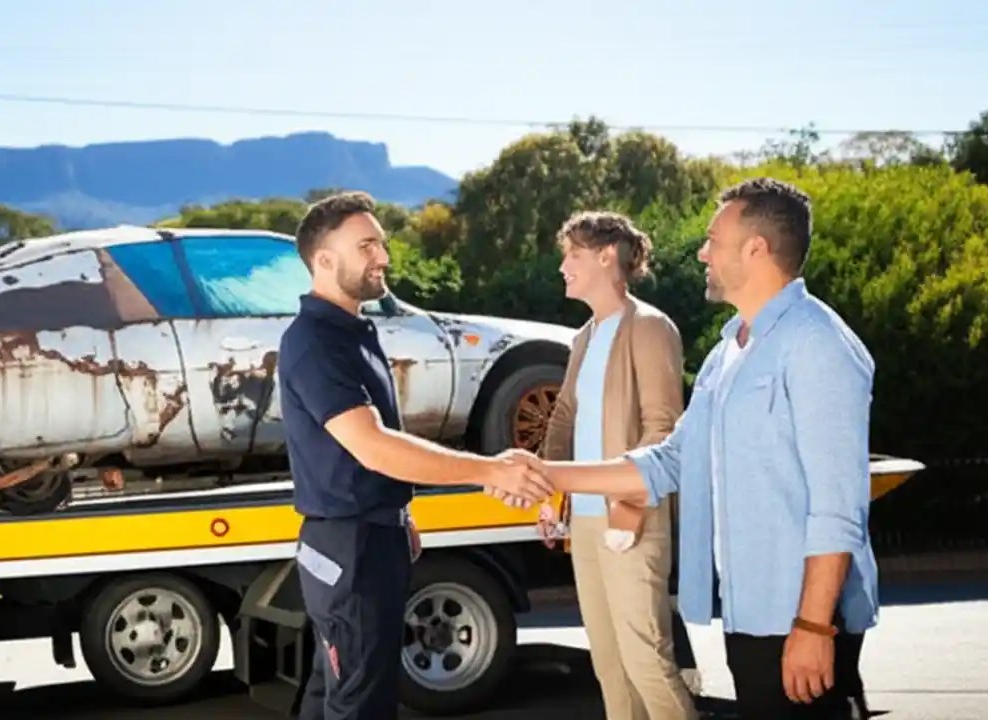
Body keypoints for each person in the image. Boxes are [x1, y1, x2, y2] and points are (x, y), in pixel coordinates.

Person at [493, 178, 876, 719]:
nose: (702, 251)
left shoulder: (816, 344)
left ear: (756, 249)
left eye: (713, 240)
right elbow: (669, 460)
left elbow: (838, 508)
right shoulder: (729, 352)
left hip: (802, 618)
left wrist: (814, 625)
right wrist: (546, 476)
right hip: (750, 614)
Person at [279, 190, 553, 720]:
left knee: (334, 691)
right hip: (350, 545)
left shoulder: (351, 330)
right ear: (325, 259)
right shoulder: (316, 341)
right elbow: (373, 445)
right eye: (367, 246)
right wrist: (488, 469)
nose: (382, 257)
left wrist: (399, 514)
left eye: (381, 244)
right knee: (360, 703)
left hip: (364, 535)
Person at [536, 211, 699, 720]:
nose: (563, 266)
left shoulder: (649, 327)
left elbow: (662, 429)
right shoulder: (585, 335)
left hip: (631, 520)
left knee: (647, 661)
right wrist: (548, 494)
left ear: (608, 256)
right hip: (585, 524)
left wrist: (627, 510)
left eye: (573, 255)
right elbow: (564, 417)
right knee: (609, 667)